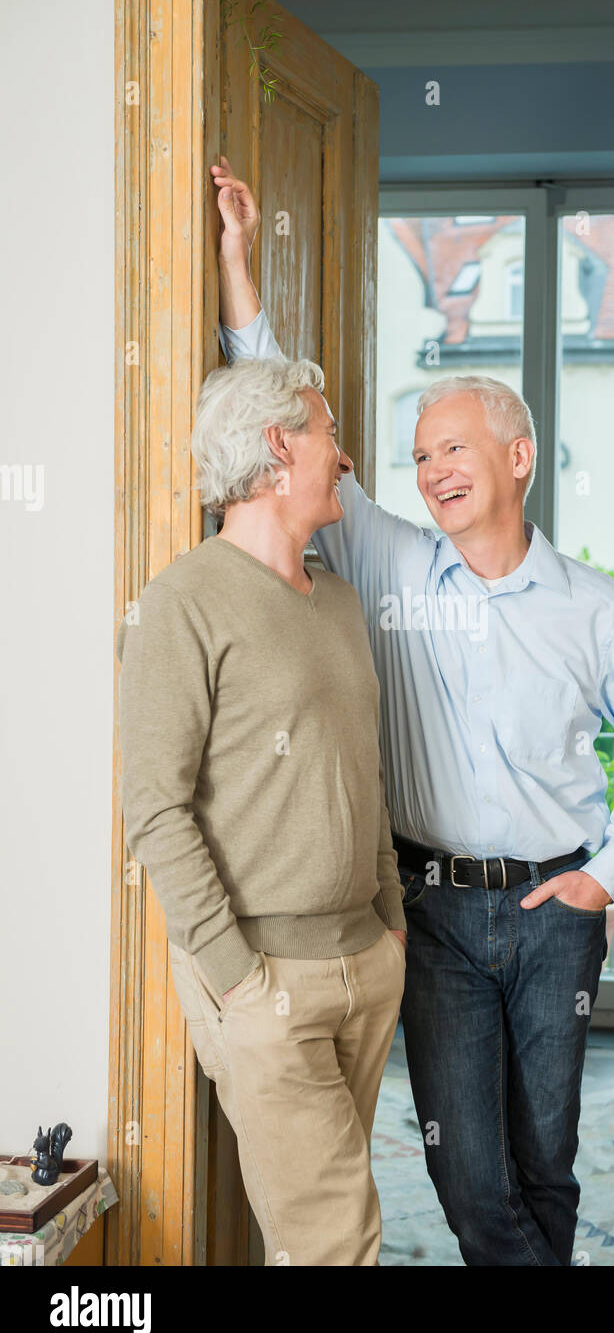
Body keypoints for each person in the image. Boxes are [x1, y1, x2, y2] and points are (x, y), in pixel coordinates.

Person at [212, 158, 614, 1267]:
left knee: (543, 1162)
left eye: (455, 449)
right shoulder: (386, 562)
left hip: (552, 913)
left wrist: (605, 874)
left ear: (517, 459)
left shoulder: (594, 606)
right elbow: (280, 414)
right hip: (429, 913)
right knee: (466, 1173)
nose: (431, 469)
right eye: (420, 452)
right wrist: (239, 263)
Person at [116, 349, 406, 1266]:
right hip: (263, 982)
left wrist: (391, 920)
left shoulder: (340, 602)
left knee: (311, 1230)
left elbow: (367, 769)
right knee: (338, 1243)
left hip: (367, 964)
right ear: (281, 448)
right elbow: (154, 809)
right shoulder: (181, 604)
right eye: (328, 433)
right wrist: (239, 979)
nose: (345, 458)